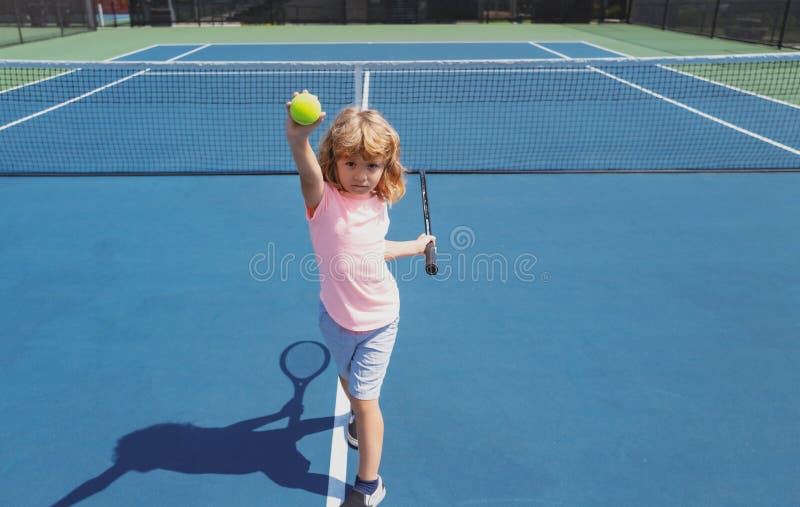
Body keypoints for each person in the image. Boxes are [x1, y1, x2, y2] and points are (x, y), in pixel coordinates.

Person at [285, 92, 435, 507]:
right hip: (335, 317)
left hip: (378, 320)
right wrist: (298, 139)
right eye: (350, 163)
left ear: (385, 167)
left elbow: (371, 248)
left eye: (372, 166)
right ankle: (354, 412)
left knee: (367, 401)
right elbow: (307, 172)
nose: (361, 175)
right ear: (333, 160)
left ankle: (369, 485)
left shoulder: (378, 201)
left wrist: (414, 246)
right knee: (347, 379)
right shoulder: (322, 200)